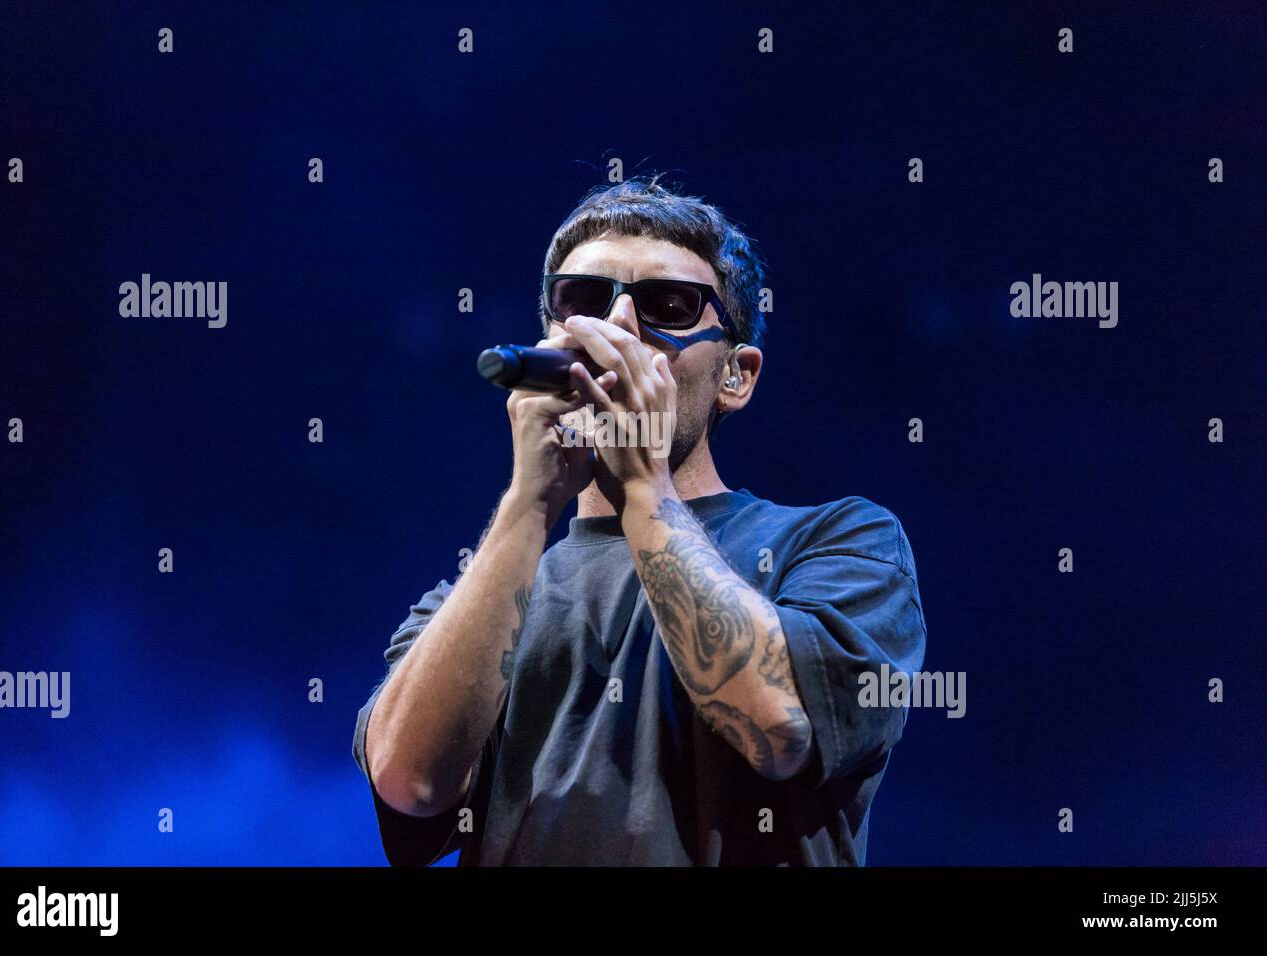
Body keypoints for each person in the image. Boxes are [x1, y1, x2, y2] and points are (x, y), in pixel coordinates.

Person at [352, 175, 927, 865]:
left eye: (669, 306)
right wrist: (528, 503)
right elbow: (409, 782)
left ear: (736, 376)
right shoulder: (477, 594)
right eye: (584, 302)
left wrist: (646, 487)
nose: (618, 327)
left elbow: (780, 729)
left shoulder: (841, 541)